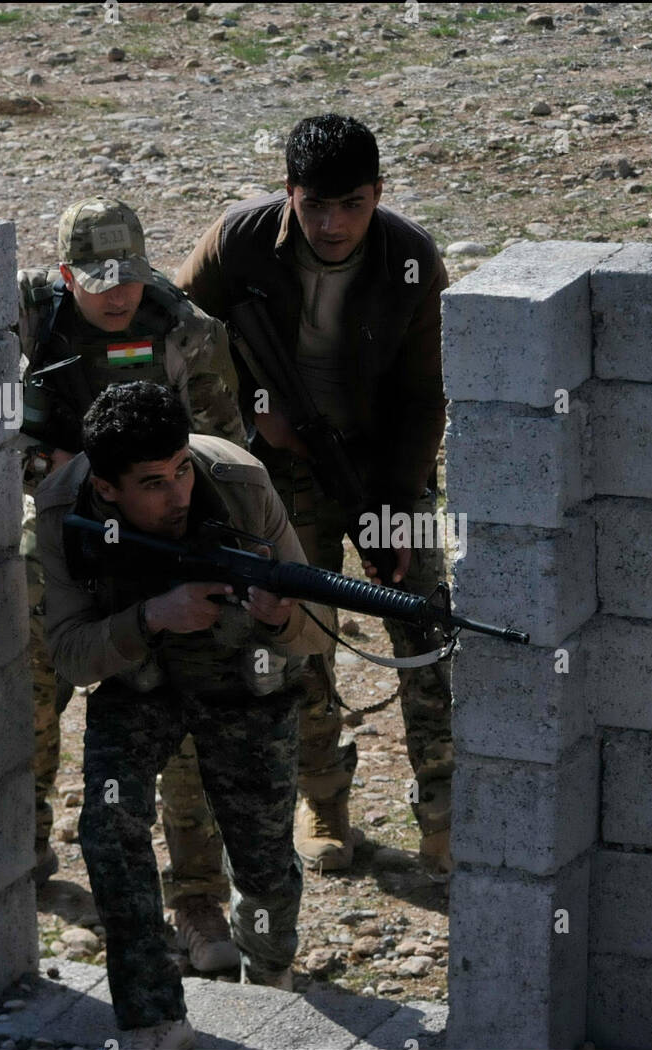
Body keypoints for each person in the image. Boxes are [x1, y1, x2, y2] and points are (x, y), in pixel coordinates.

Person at [174, 114, 455, 875]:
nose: (333, 225)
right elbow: (177, 335)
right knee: (299, 632)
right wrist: (241, 415)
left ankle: (447, 811)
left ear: (379, 195)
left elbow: (427, 394)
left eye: (353, 204)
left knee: (427, 625)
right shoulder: (237, 242)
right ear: (289, 192)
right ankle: (324, 801)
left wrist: (396, 503)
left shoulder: (410, 258)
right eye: (315, 204)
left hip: (384, 467)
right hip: (276, 472)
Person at [34, 381, 333, 1049]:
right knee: (108, 828)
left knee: (261, 862)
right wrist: (151, 616)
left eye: (181, 472)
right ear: (107, 489)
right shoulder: (62, 507)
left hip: (243, 678)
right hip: (141, 679)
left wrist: (282, 616)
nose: (178, 496)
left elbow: (321, 625)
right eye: (153, 484)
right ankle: (151, 1017)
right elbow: (70, 653)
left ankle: (270, 980)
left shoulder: (237, 479)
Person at [17, 196, 243, 971]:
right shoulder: (27, 323)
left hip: (161, 543)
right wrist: (47, 473)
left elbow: (222, 450)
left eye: (129, 276)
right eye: (97, 278)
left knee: (180, 719)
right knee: (35, 693)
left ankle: (196, 897)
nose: (116, 294)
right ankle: (24, 847)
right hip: (62, 545)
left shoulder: (185, 331)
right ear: (63, 274)